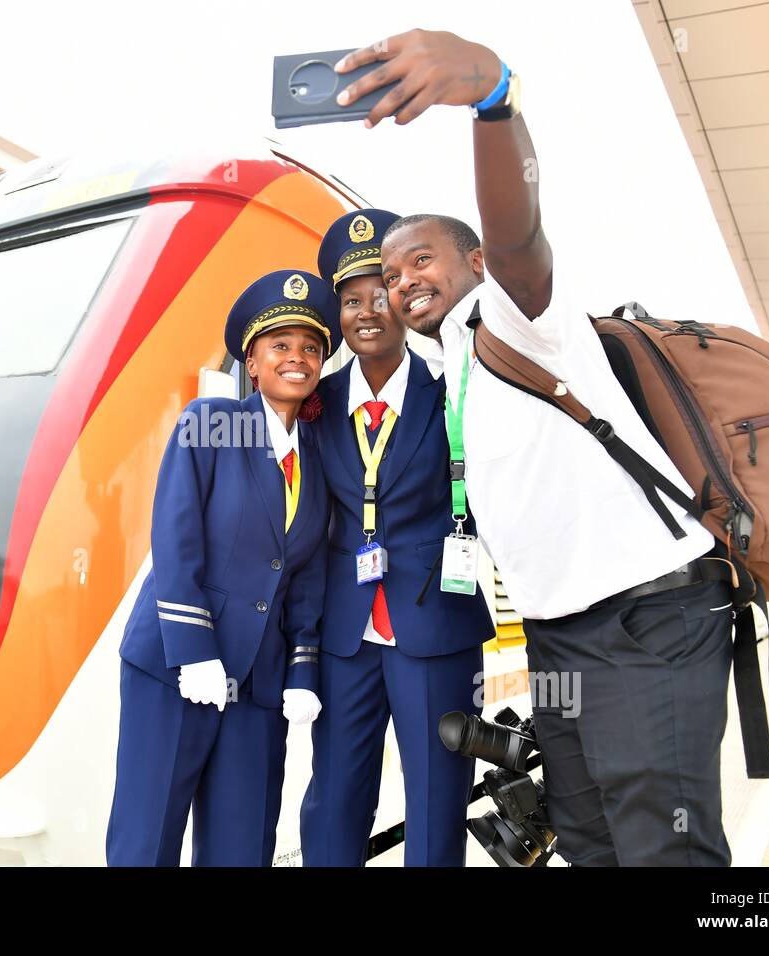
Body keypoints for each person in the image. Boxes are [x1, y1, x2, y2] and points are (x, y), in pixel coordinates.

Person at [341, 28, 733, 866]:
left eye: (422, 260)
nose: (404, 280)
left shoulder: (519, 317)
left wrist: (493, 99)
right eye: (391, 273)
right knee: (587, 840)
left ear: (474, 262)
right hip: (561, 638)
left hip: (644, 615)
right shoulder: (451, 370)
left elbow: (519, 235)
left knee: (663, 844)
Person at [106, 270, 337, 866]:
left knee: (242, 845)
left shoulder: (316, 455)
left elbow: (305, 577)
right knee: (148, 836)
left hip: (259, 683)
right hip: (176, 667)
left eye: (311, 347)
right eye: (279, 345)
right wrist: (193, 650)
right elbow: (175, 541)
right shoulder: (212, 422)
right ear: (251, 363)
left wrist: (302, 672)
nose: (297, 358)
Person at [300, 209, 494, 867]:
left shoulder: (456, 392)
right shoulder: (316, 409)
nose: (367, 311)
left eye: (379, 293)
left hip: (436, 624)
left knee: (438, 799)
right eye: (349, 300)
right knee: (334, 796)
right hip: (345, 636)